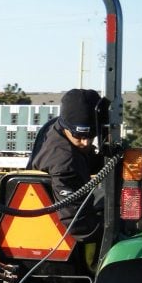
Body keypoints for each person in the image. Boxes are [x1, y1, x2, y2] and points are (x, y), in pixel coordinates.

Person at [27, 88, 105, 240]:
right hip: (55, 235)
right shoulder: (65, 162)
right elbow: (78, 226)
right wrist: (118, 227)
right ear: (65, 127)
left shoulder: (53, 127)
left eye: (91, 135)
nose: (86, 142)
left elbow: (86, 162)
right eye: (79, 135)